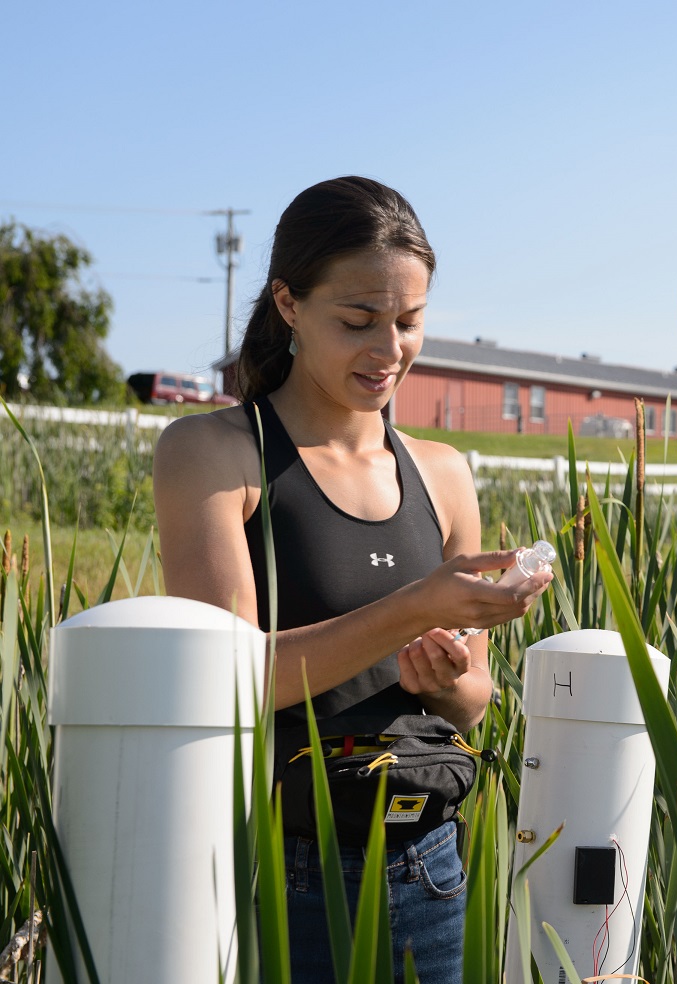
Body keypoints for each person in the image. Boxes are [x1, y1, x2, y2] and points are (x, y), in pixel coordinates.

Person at [154, 176, 552, 982]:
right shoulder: (213, 454)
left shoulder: (442, 472)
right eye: (359, 320)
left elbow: (473, 704)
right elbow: (228, 680)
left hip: (429, 862)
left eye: (409, 321)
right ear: (289, 304)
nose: (390, 349)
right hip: (277, 870)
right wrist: (416, 607)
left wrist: (444, 677)